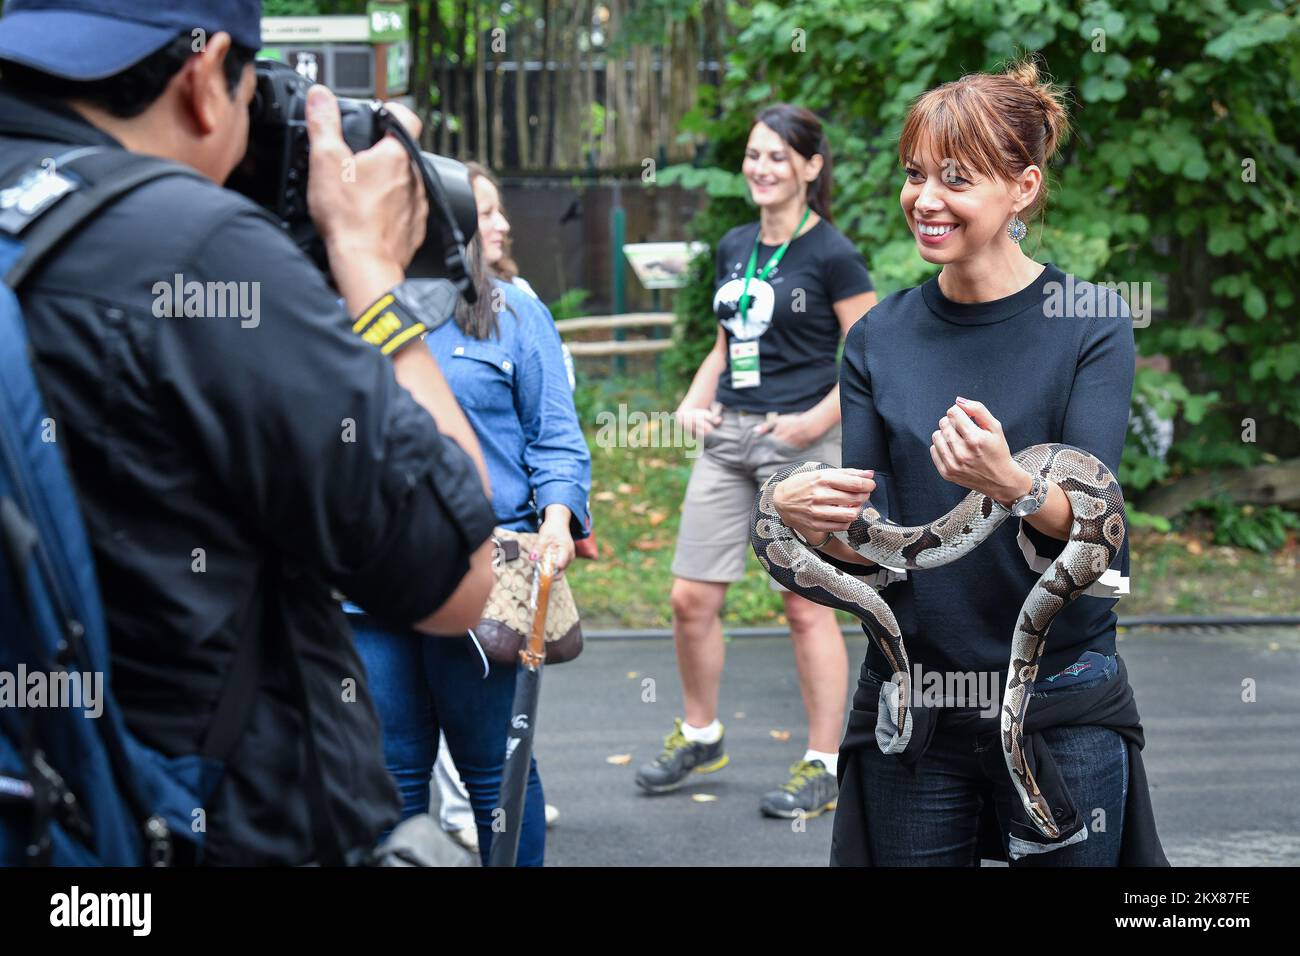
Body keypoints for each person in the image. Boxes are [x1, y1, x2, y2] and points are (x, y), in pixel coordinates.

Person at [0, 0, 496, 865]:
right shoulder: (193, 249)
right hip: (198, 827)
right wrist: (369, 269)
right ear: (202, 76)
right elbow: (457, 577)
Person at [772, 59, 1167, 865]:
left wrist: (1014, 487)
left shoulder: (1089, 322)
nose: (925, 198)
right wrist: (807, 523)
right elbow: (880, 549)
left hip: (1060, 698)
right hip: (917, 703)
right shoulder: (877, 338)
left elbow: (1101, 535)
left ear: (1022, 188)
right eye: (915, 174)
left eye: (957, 178)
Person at [635, 104, 877, 818]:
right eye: (753, 155)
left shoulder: (832, 254)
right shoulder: (735, 244)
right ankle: (703, 732)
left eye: (778, 157)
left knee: (805, 608)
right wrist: (690, 401)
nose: (762, 168)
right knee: (690, 599)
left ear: (810, 167)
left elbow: (869, 359)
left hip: (799, 445)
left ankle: (824, 761)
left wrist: (811, 423)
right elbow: (723, 345)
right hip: (727, 440)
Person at [349, 212, 592, 867]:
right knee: (389, 778)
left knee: (493, 774)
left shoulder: (513, 313)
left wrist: (557, 520)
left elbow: (555, 437)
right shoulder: (340, 306)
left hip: (484, 574)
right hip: (367, 579)